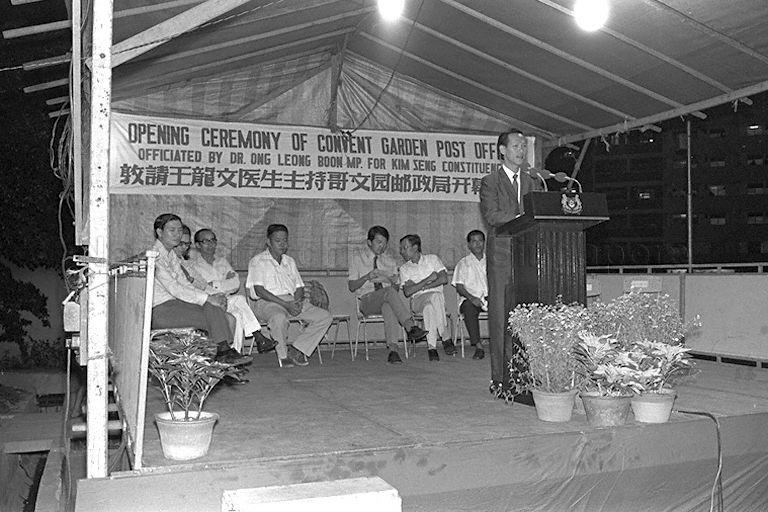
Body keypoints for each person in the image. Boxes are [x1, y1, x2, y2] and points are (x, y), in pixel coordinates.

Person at [479, 130, 543, 398]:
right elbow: (492, 216)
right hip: (502, 256)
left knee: (527, 316)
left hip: (527, 255)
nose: (521, 150)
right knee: (501, 316)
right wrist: (522, 217)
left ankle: (526, 375)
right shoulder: (490, 181)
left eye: (524, 146)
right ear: (502, 150)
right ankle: (501, 379)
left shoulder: (533, 181)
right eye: (516, 146)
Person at [149, 213, 251, 366]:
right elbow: (175, 289)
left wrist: (211, 297)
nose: (177, 234)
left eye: (179, 230)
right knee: (217, 318)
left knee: (214, 307)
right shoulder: (155, 256)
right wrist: (208, 298)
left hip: (178, 305)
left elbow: (186, 284)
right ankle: (221, 355)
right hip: (162, 310)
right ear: (159, 232)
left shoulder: (171, 255)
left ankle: (223, 354)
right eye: (172, 230)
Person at [246, 224, 332, 368]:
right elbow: (259, 290)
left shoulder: (289, 261)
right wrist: (286, 305)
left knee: (324, 317)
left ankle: (297, 349)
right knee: (279, 318)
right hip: (267, 302)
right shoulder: (258, 261)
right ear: (268, 242)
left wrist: (296, 303)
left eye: (285, 240)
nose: (282, 244)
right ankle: (283, 355)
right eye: (278, 241)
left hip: (291, 301)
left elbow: (299, 287)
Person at [188, 228, 276, 355]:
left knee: (238, 315)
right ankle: (257, 335)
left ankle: (235, 352)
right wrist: (222, 283)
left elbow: (235, 284)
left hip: (227, 301)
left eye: (213, 240)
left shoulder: (222, 262)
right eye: (206, 241)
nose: (211, 244)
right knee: (239, 299)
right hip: (209, 304)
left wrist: (214, 284)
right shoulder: (193, 265)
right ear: (197, 245)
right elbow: (201, 288)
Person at [348, 226, 428, 364]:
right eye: (379, 242)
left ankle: (393, 351)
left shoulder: (389, 261)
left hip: (386, 297)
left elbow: (395, 289)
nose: (382, 246)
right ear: (369, 242)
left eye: (385, 243)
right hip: (367, 301)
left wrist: (390, 280)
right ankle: (410, 326)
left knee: (388, 306)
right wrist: (367, 277)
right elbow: (351, 286)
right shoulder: (357, 259)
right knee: (388, 292)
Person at [398, 234, 454, 361]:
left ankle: (431, 347)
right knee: (434, 296)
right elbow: (408, 292)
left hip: (436, 301)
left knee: (429, 307)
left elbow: (444, 279)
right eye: (401, 248)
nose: (401, 251)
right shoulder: (404, 269)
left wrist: (419, 286)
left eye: (404, 248)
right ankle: (445, 336)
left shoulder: (433, 259)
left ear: (415, 247)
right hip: (418, 301)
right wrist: (428, 280)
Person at [452, 230, 488, 360]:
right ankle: (478, 346)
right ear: (469, 245)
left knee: (504, 305)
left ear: (484, 243)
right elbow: (459, 286)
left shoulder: (492, 260)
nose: (478, 244)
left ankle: (503, 344)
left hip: (490, 297)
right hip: (470, 298)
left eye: (480, 241)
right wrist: (472, 298)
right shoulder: (463, 263)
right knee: (468, 308)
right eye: (474, 241)